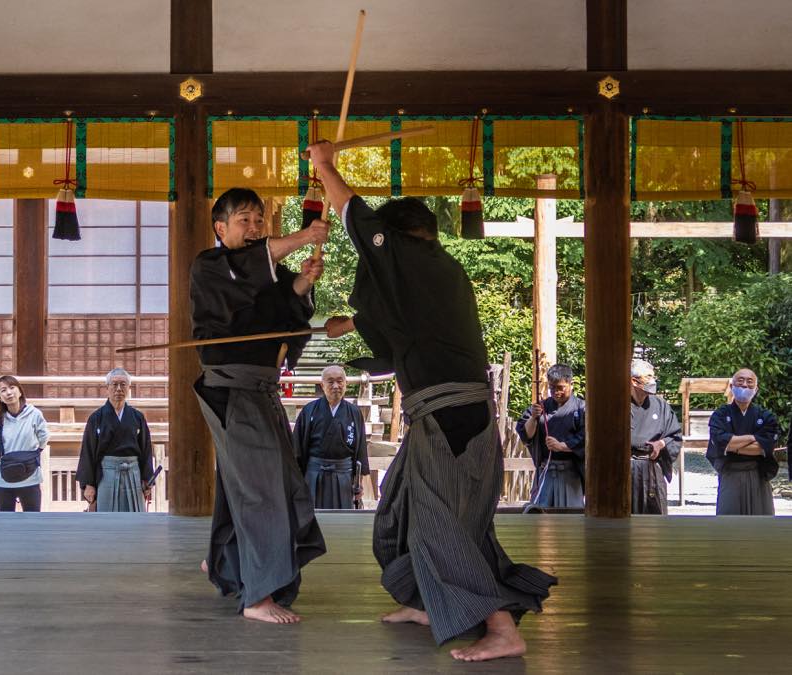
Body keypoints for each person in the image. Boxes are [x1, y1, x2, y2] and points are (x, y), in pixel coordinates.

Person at [308, 140, 556, 662]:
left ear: (401, 238)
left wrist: (326, 167)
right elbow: (400, 337)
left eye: (386, 247)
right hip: (449, 414)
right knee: (402, 508)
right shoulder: (438, 275)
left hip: (451, 415)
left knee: (442, 523)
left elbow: (360, 221)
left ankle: (501, 625)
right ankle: (427, 601)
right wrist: (350, 325)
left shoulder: (414, 257)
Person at [191, 187, 328, 624]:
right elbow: (246, 272)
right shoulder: (210, 266)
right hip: (232, 390)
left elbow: (289, 321)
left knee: (249, 485)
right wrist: (305, 237)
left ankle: (226, 564)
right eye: (244, 220)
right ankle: (258, 594)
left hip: (261, 390)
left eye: (258, 220)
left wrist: (303, 283)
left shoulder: (275, 273)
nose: (254, 228)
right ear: (221, 228)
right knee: (261, 488)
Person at [293, 364, 372, 509]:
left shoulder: (354, 412)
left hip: (344, 475)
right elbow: (297, 448)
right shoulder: (309, 411)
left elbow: (360, 448)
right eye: (330, 382)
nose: (336, 386)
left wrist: (358, 481)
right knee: (313, 519)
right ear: (322, 385)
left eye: (340, 381)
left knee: (342, 521)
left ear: (346, 384)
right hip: (314, 474)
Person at [76, 368, 154, 512]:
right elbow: (88, 451)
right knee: (106, 518)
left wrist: (146, 479)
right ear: (107, 388)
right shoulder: (96, 418)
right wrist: (88, 484)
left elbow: (146, 449)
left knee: (134, 517)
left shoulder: (137, 417)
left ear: (129, 388)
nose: (119, 389)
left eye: (123, 384)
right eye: (114, 384)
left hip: (133, 473)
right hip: (107, 473)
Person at [706, 368, 779, 515]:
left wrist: (733, 445)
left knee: (761, 524)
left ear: (756, 389)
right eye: (740, 380)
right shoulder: (720, 414)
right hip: (730, 473)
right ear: (731, 387)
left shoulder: (766, 416)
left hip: (758, 473)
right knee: (729, 525)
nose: (745, 385)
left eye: (749, 382)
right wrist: (754, 437)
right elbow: (721, 442)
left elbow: (766, 446)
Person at [516, 364, 585, 509]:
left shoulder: (581, 407)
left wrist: (563, 446)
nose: (556, 392)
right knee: (540, 518)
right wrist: (533, 418)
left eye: (560, 387)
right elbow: (526, 434)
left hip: (571, 473)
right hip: (545, 471)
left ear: (570, 384)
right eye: (552, 387)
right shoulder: (541, 407)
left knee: (572, 520)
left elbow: (586, 437)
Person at [629, 359, 682, 515]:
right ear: (634, 381)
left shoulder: (660, 405)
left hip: (652, 468)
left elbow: (675, 435)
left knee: (655, 518)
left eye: (653, 377)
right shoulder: (618, 404)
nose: (653, 381)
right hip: (625, 468)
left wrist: (661, 444)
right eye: (649, 377)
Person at [0, 375, 50, 512]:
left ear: (20, 391)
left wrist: (31, 455)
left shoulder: (34, 414)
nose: (9, 392)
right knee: (6, 523)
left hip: (31, 478)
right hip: (4, 480)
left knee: (32, 521)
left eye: (12, 387)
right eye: (3, 390)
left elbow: (43, 438)